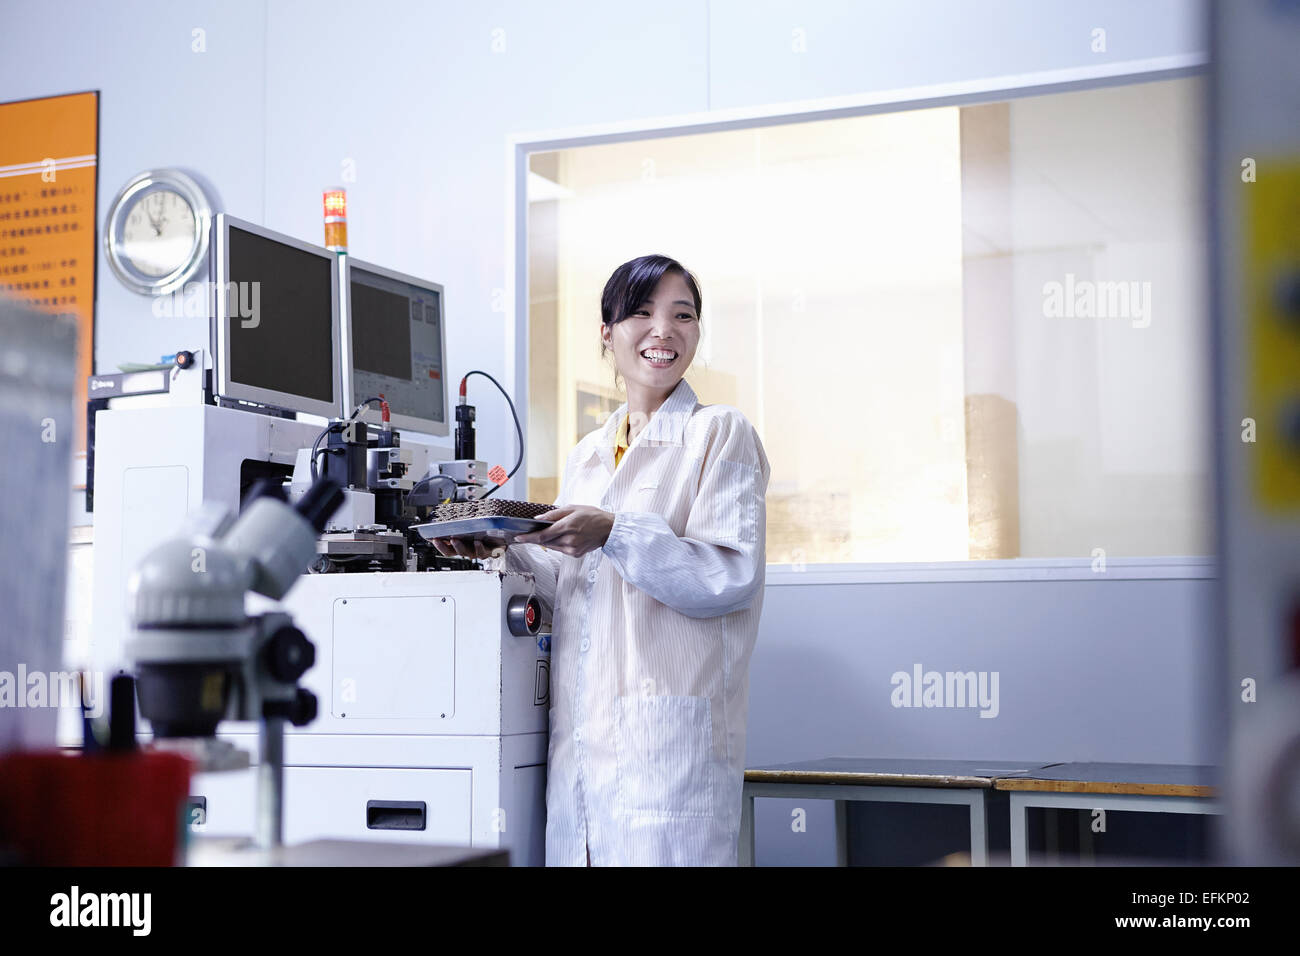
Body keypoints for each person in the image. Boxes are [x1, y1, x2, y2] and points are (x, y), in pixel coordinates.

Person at [431, 254, 770, 866]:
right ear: (608, 333)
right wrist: (506, 550)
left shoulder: (720, 433)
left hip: (668, 754)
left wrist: (614, 530)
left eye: (682, 315)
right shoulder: (589, 453)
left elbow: (727, 576)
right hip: (584, 754)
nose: (663, 331)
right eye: (641, 312)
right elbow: (570, 586)